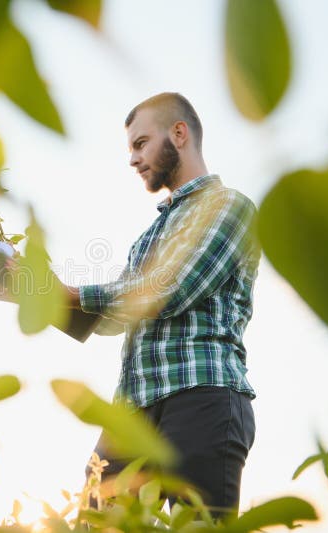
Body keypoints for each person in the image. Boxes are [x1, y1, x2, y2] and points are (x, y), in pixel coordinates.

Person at [59, 92, 261, 515]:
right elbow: (116, 319)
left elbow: (169, 290)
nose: (133, 159)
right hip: (132, 412)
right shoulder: (150, 235)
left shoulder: (228, 206)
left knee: (199, 526)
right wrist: (38, 296)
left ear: (179, 134)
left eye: (140, 143)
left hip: (201, 396)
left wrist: (75, 295)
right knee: (95, 520)